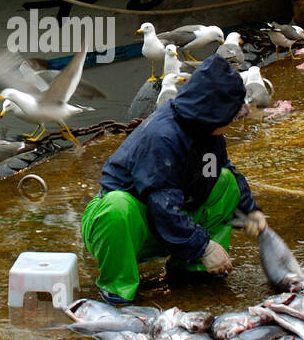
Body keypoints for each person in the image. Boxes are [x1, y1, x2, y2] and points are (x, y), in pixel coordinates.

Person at [81, 54, 266, 304]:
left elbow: (221, 170)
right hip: (131, 229)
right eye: (230, 115)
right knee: (117, 207)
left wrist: (250, 211)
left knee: (225, 183)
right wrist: (204, 247)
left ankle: (192, 267)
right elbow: (161, 204)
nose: (233, 121)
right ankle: (118, 287)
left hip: (168, 221)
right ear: (214, 112)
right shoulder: (163, 137)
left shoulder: (207, 134)